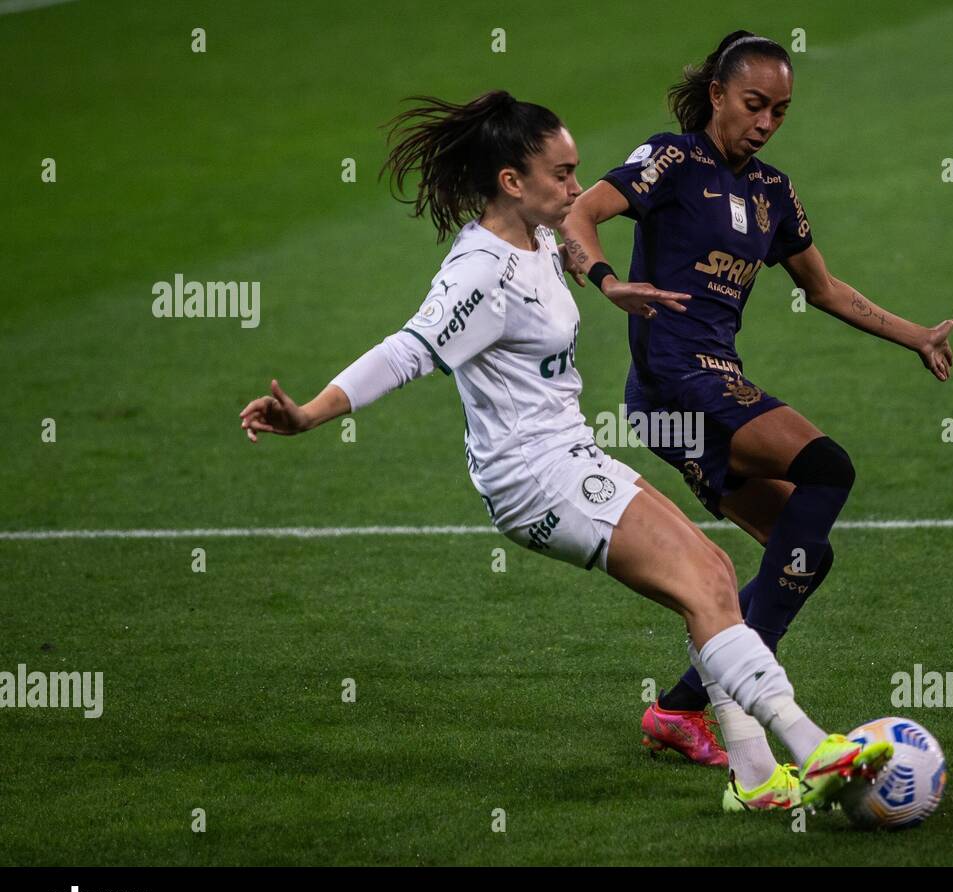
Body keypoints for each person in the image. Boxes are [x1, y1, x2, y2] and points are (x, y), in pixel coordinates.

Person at [237, 90, 891, 813]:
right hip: (534, 474)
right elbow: (407, 351)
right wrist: (310, 414)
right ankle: (811, 749)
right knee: (702, 580)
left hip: (566, 455)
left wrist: (607, 280)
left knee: (710, 573)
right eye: (562, 174)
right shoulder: (480, 272)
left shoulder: (537, 239)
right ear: (512, 181)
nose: (578, 188)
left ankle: (756, 777)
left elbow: (571, 247)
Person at [562, 32, 953, 805]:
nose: (766, 123)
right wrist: (608, 281)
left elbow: (825, 288)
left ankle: (679, 708)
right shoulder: (672, 161)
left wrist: (914, 334)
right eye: (754, 105)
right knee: (828, 467)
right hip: (677, 384)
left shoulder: (774, 192)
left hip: (709, 390)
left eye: (780, 111)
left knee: (803, 550)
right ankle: (743, 705)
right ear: (718, 93)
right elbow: (582, 213)